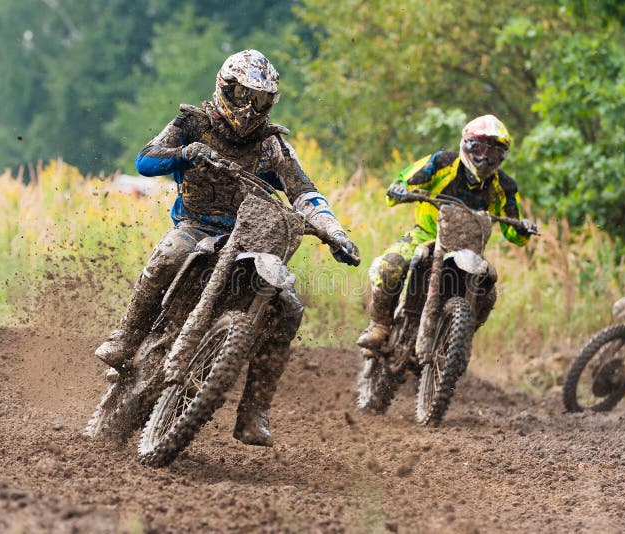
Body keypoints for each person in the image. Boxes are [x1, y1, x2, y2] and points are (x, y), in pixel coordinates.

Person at [95, 50, 359, 446]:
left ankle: (254, 411)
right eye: (246, 96)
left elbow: (304, 191)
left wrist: (334, 231)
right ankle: (128, 337)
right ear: (226, 90)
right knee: (169, 254)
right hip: (197, 226)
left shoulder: (271, 145)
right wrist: (186, 153)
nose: (253, 109)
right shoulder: (193, 123)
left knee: (288, 308)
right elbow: (145, 160)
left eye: (263, 101)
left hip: (250, 237)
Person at [357, 114, 536, 350]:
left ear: (501, 155)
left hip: (470, 249)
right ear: (468, 144)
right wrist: (400, 189)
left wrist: (523, 227)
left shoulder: (504, 186)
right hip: (425, 235)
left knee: (489, 291)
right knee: (390, 265)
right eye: (480, 148)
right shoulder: (442, 162)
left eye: (493, 151)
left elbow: (514, 228)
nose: (485, 157)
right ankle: (379, 324)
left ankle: (455, 342)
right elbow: (407, 178)